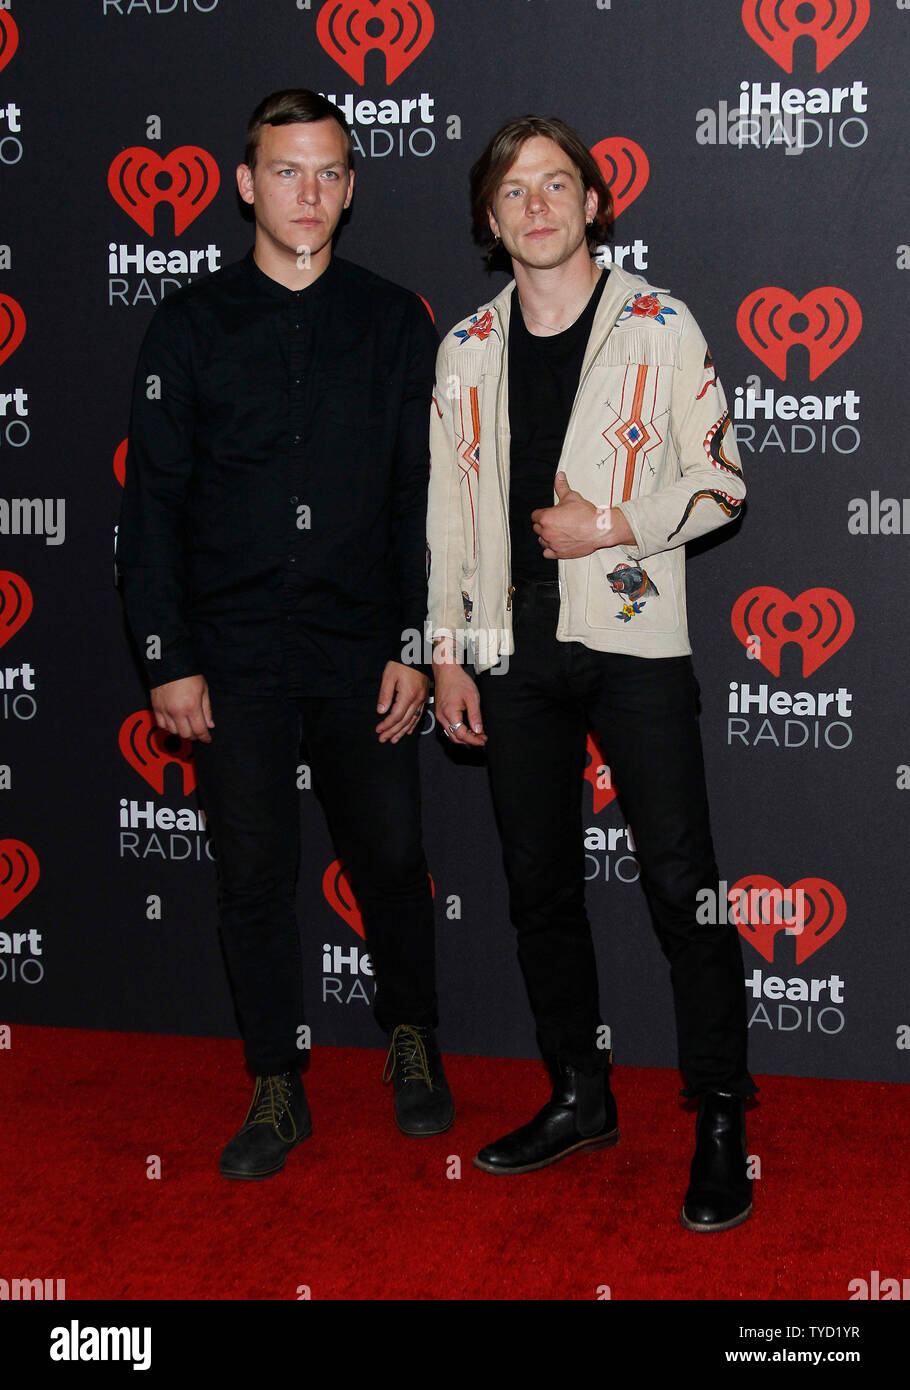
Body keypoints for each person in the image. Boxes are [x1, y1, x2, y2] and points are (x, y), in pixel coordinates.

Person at [427, 115, 754, 1231]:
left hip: (632, 646)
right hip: (510, 653)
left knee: (682, 884)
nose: (535, 204)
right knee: (537, 889)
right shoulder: (465, 346)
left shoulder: (660, 325)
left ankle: (718, 1111)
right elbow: (446, 522)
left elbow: (722, 485)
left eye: (555, 183)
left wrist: (610, 521)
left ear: (592, 203)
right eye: (513, 190)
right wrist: (452, 650)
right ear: (488, 217)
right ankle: (579, 1093)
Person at [118, 90, 452, 1181]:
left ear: (350, 187)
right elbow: (152, 507)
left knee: (392, 861)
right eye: (285, 170)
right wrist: (167, 658)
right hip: (236, 649)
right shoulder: (189, 324)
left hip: (363, 648)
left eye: (327, 173)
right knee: (253, 874)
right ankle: (275, 1079)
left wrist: (413, 639)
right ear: (244, 182)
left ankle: (410, 1039)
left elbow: (420, 495)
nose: (306, 193)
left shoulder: (396, 320)